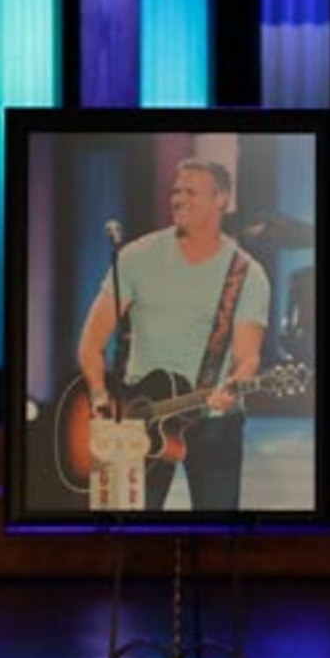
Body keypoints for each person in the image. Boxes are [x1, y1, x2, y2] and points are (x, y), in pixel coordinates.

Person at [76, 157, 271, 511]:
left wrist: (234, 386)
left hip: (214, 424)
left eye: (190, 192)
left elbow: (248, 356)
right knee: (126, 537)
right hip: (137, 420)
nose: (178, 199)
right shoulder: (136, 257)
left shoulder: (247, 274)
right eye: (175, 191)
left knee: (216, 537)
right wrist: (101, 395)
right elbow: (91, 342)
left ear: (221, 200)